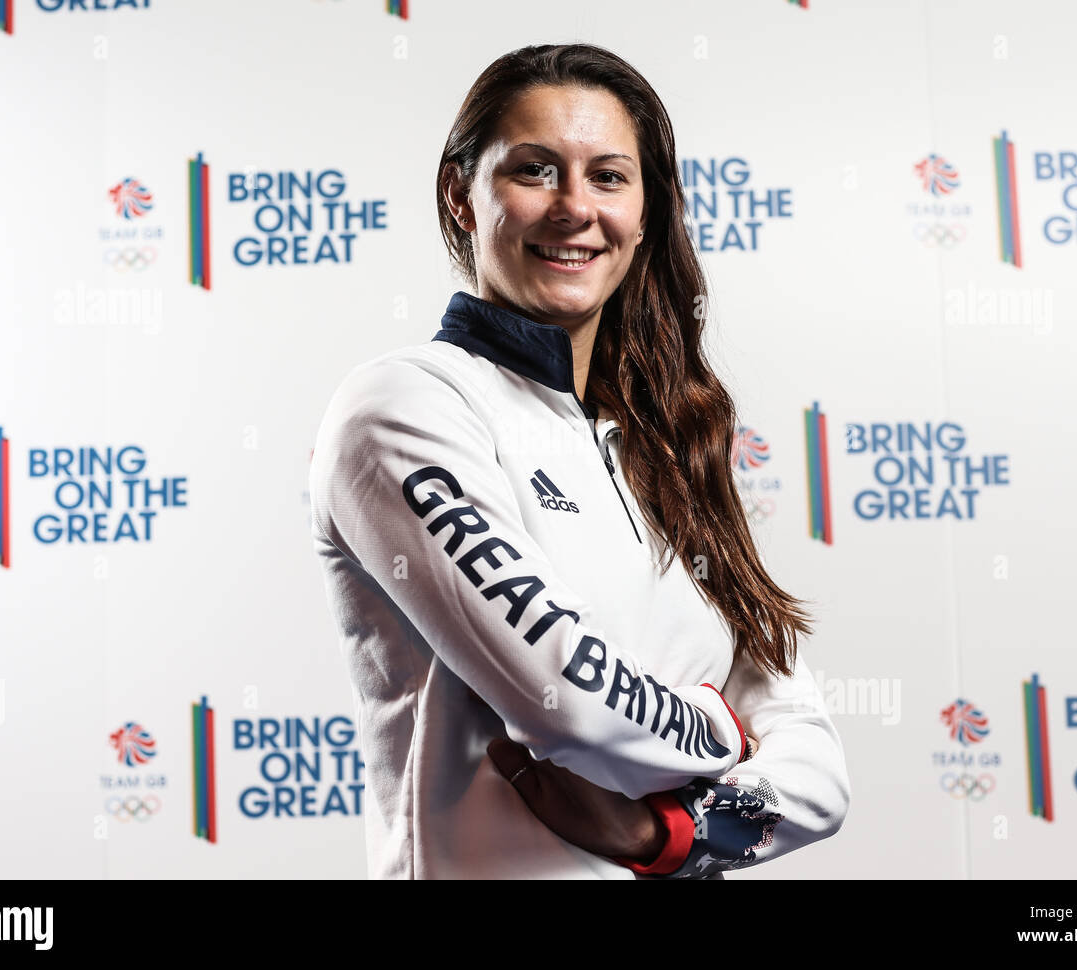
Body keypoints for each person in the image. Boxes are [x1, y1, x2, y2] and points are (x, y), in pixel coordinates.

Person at [309, 43, 849, 879]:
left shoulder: (662, 449)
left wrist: (665, 835)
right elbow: (573, 708)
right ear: (462, 195)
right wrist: (719, 734)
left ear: (644, 211)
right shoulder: (406, 405)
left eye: (607, 176)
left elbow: (816, 770)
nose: (573, 208)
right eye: (534, 171)